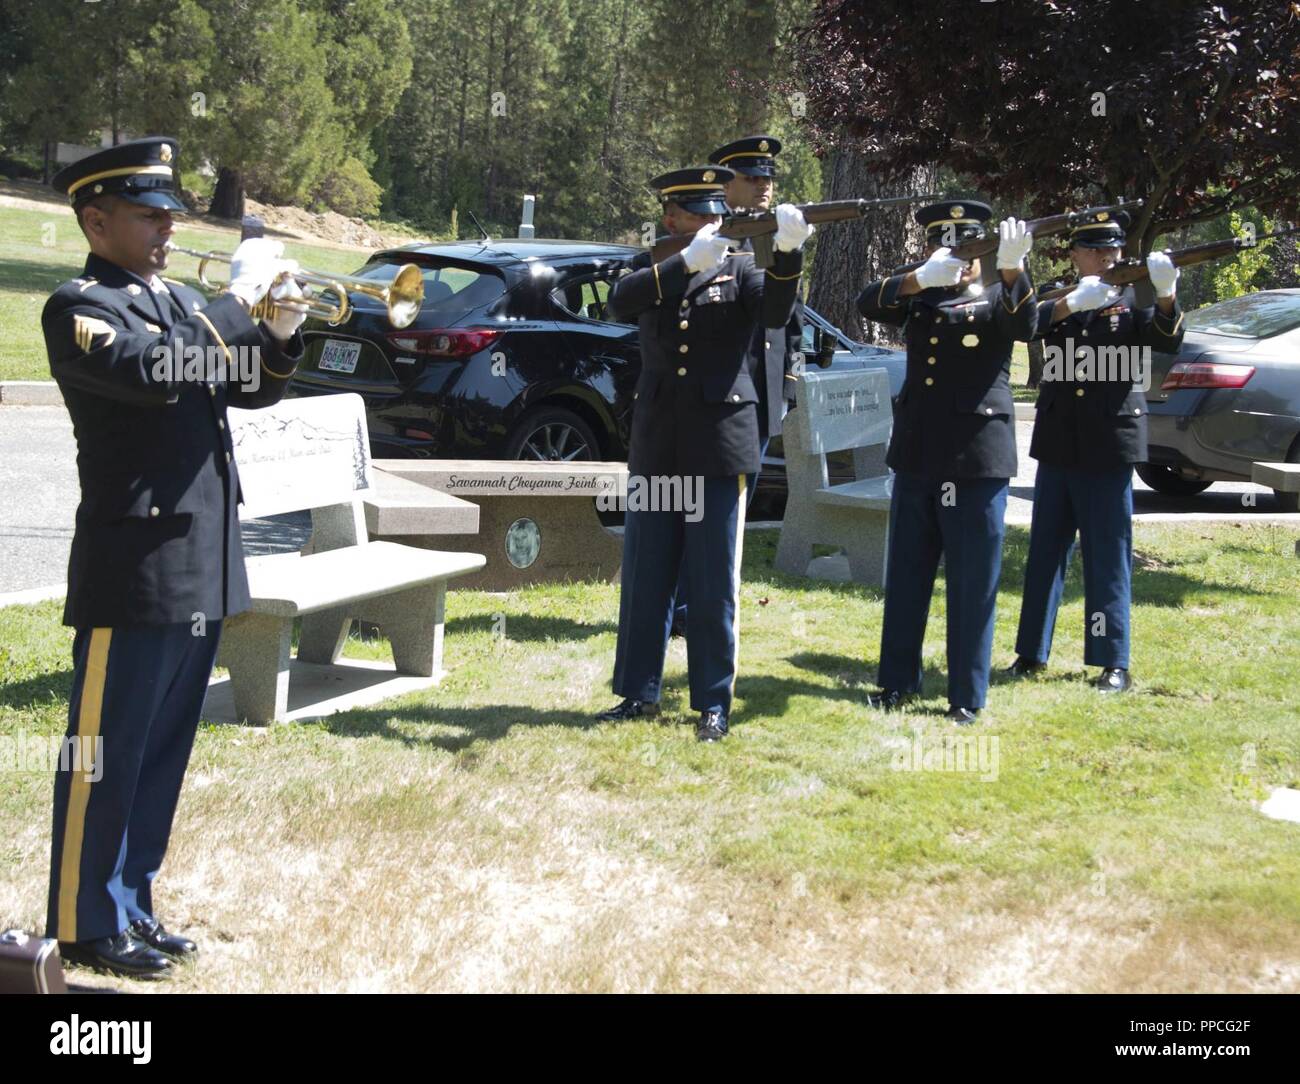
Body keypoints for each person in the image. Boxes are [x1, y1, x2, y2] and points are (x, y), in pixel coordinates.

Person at [42, 136, 309, 978]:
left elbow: (243, 386)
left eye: (171, 217)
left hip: (198, 555)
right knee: (102, 749)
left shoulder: (175, 300)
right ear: (96, 219)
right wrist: (233, 302)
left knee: (161, 749)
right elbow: (155, 371)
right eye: (150, 217)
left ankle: (132, 902)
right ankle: (82, 920)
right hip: (135, 564)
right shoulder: (83, 307)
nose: (166, 231)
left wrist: (280, 332)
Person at [596, 167, 810, 741]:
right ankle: (637, 691)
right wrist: (685, 262)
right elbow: (621, 302)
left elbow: (775, 312)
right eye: (698, 215)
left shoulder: (741, 268)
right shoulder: (652, 267)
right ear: (672, 219)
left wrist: (787, 253)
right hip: (661, 441)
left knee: (714, 579)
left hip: (718, 444)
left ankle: (713, 701)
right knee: (647, 574)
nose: (712, 223)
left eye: (717, 214)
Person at [858, 200, 1037, 724]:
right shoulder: (919, 293)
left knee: (971, 581)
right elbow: (868, 302)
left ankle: (966, 693)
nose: (958, 260)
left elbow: (1026, 324)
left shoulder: (1001, 297)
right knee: (908, 574)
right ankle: (895, 682)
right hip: (918, 453)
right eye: (947, 246)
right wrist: (918, 278)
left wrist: (1014, 266)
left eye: (967, 247)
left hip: (976, 458)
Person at [1006, 212, 1185, 692]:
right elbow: (1024, 325)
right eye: (1097, 249)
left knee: (1107, 554)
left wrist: (1166, 294)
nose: (1108, 257)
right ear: (1076, 254)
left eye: (1113, 249)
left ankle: (1113, 661)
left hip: (1109, 442)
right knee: (1045, 551)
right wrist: (1068, 307)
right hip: (1061, 439)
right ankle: (1030, 651)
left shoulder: (1134, 295)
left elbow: (1166, 339)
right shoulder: (1059, 294)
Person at [666, 135, 803, 637]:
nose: (764, 185)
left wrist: (788, 384)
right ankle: (682, 607)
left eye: (768, 176)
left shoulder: (775, 235)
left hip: (758, 393)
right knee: (689, 509)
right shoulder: (710, 240)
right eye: (753, 177)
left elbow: (791, 320)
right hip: (715, 391)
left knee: (728, 517)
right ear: (726, 184)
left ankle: (708, 605)